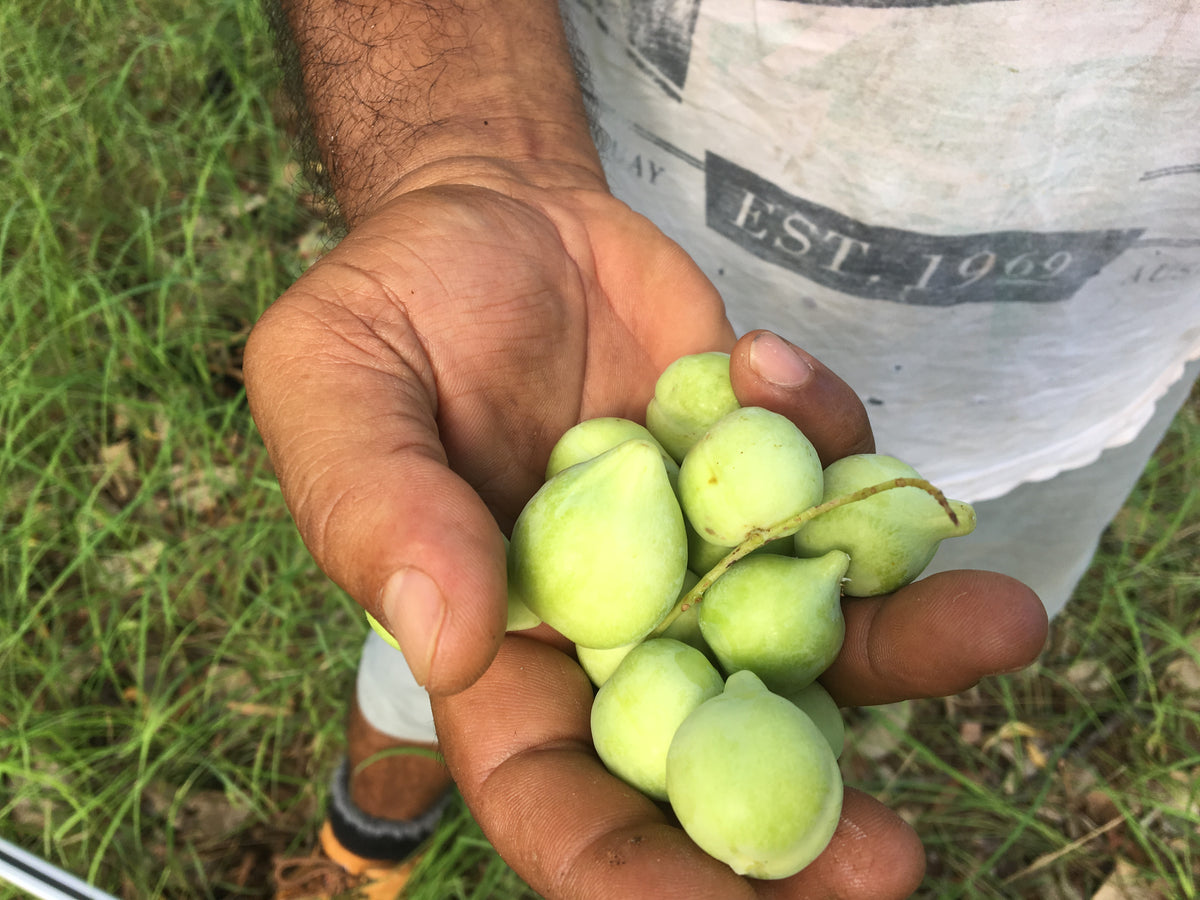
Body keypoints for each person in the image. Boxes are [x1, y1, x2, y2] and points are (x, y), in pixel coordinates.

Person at [244, 0, 1197, 897]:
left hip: (1082, 378)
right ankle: (379, 804)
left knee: (461, 619)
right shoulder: (616, 457)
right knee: (438, 644)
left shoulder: (686, 509)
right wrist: (472, 153)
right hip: (610, 228)